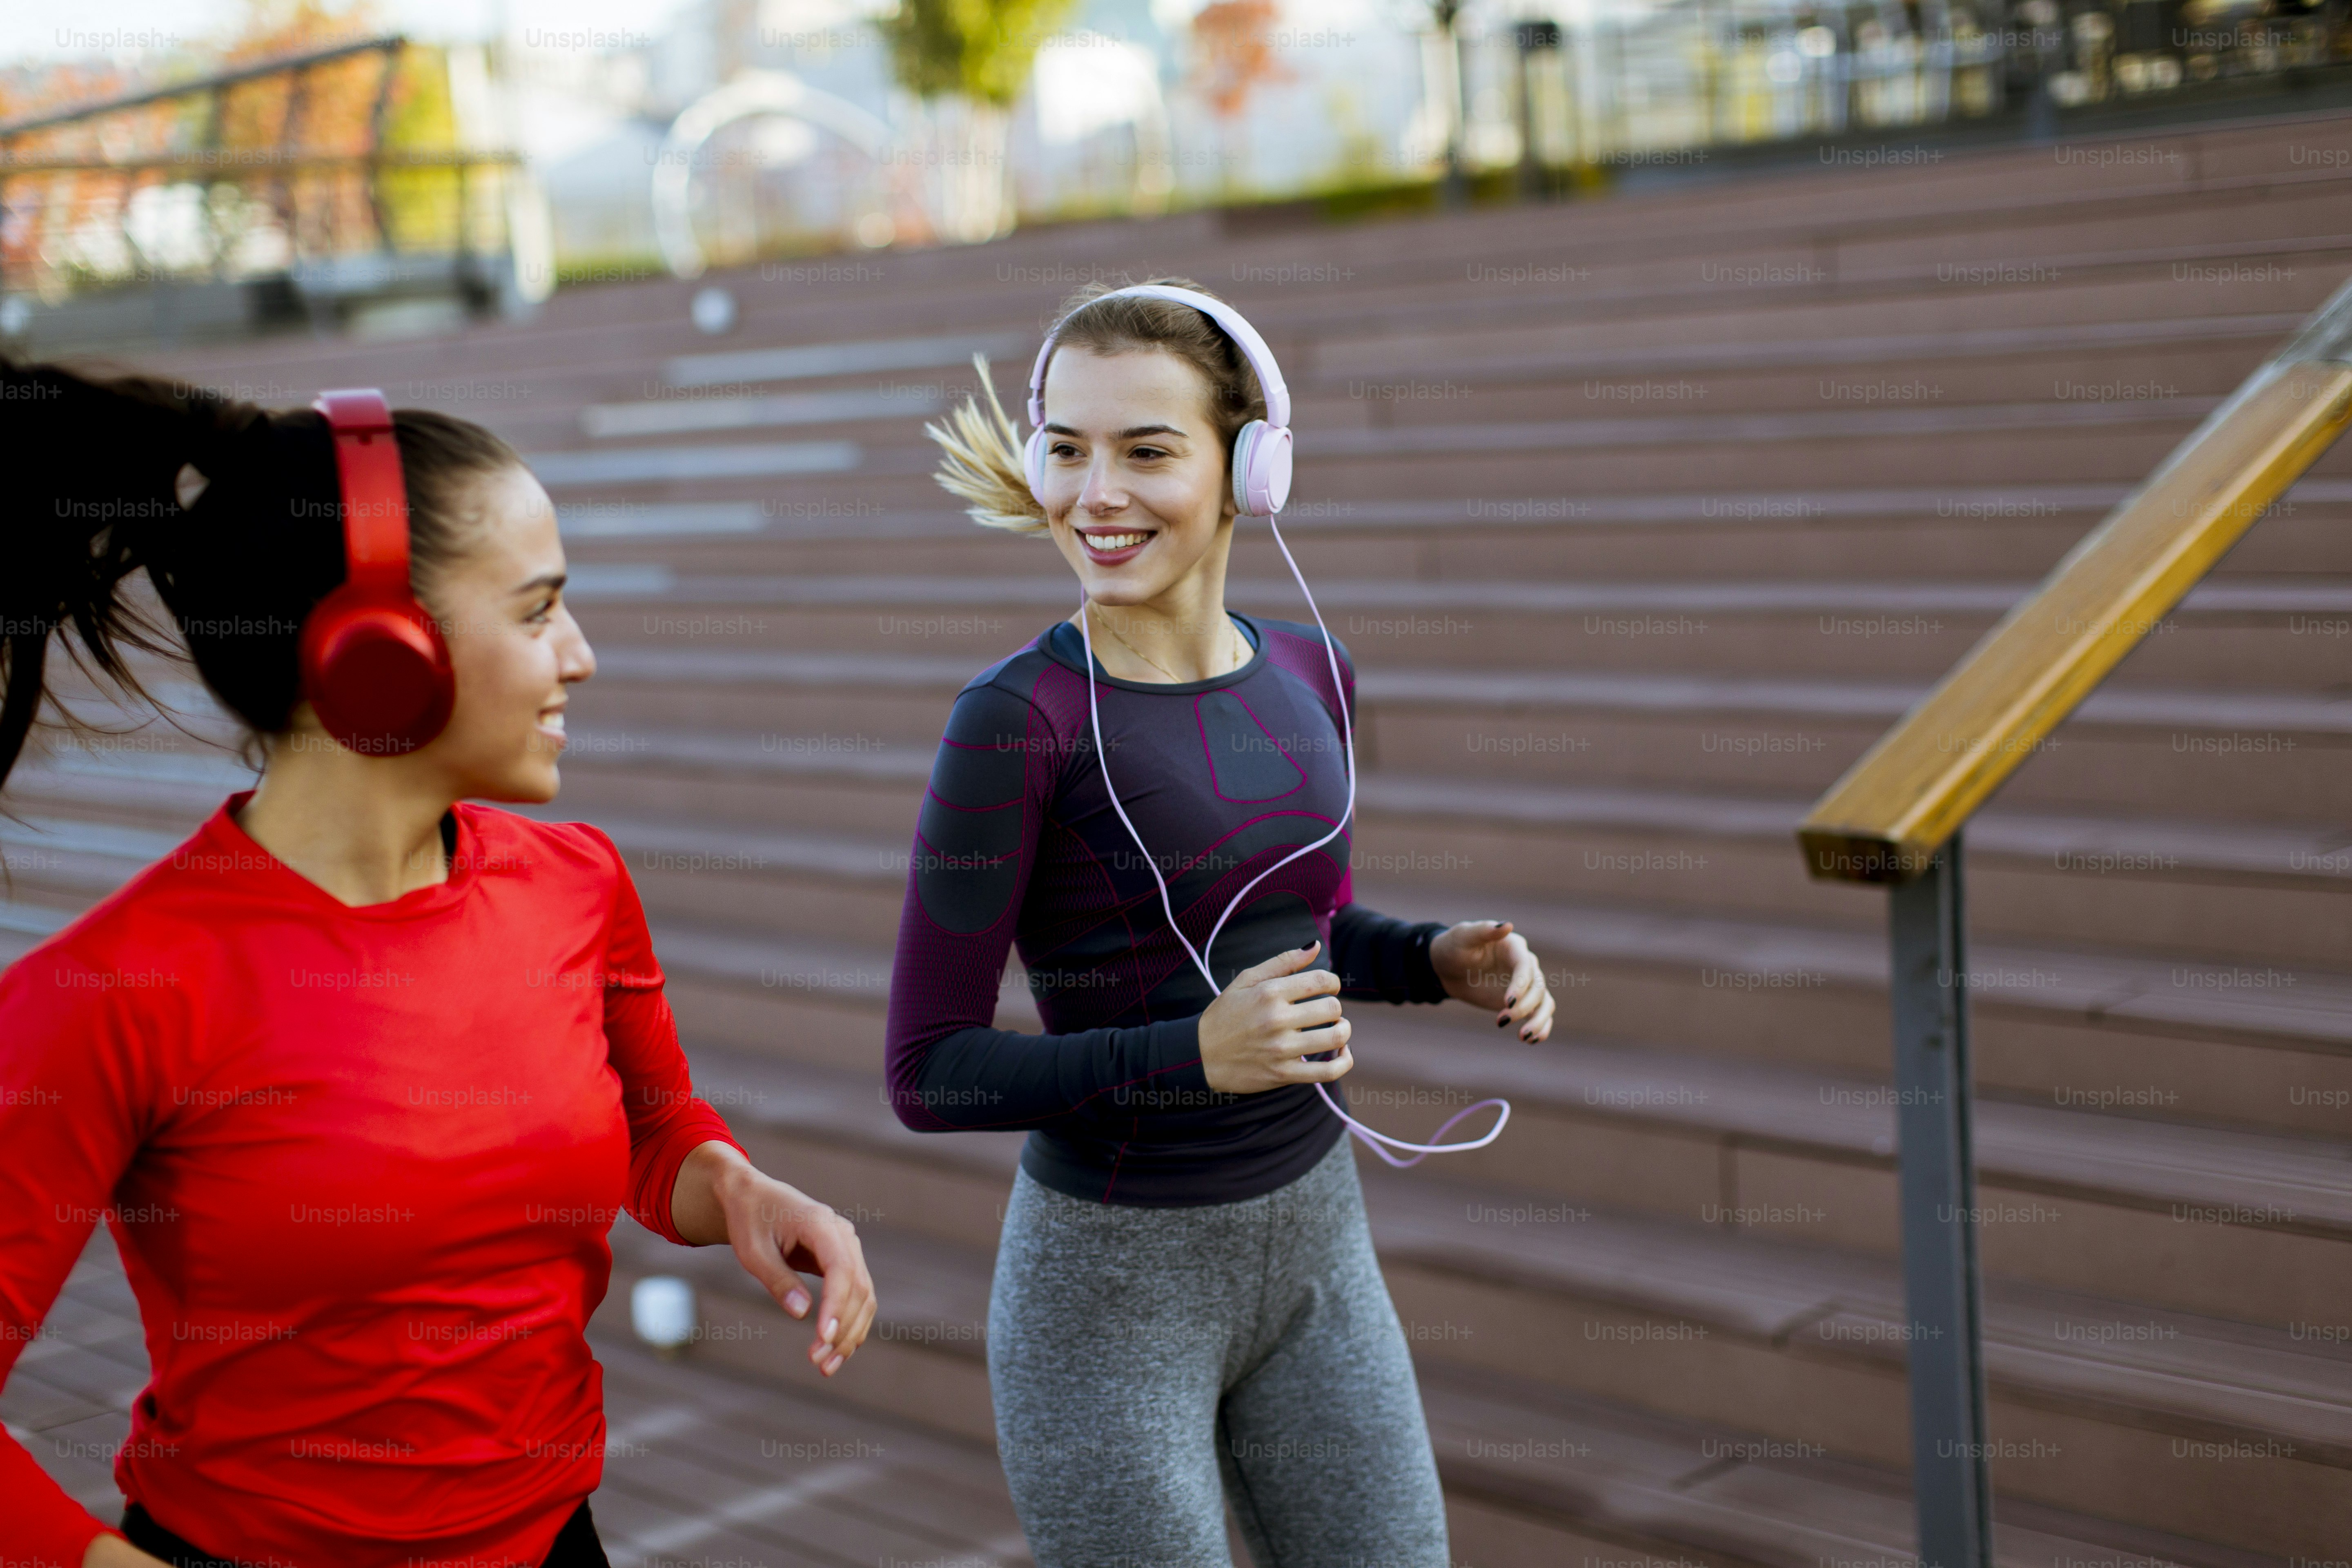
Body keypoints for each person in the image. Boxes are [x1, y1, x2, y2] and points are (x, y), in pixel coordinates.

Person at [0, 363, 876, 1568]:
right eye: (536, 611)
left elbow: (655, 1129)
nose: (580, 655)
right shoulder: (109, 992)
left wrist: (735, 1192)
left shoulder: (578, 883)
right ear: (378, 652)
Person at [884, 279, 1558, 1566]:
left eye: (1147, 451)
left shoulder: (1313, 673)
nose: (1097, 494)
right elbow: (926, 1074)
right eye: (1068, 449)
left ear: (1252, 469)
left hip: (1319, 1252)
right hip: (1106, 1301)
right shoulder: (1015, 722)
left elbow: (1301, 925)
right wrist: (1191, 1055)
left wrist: (1426, 960)